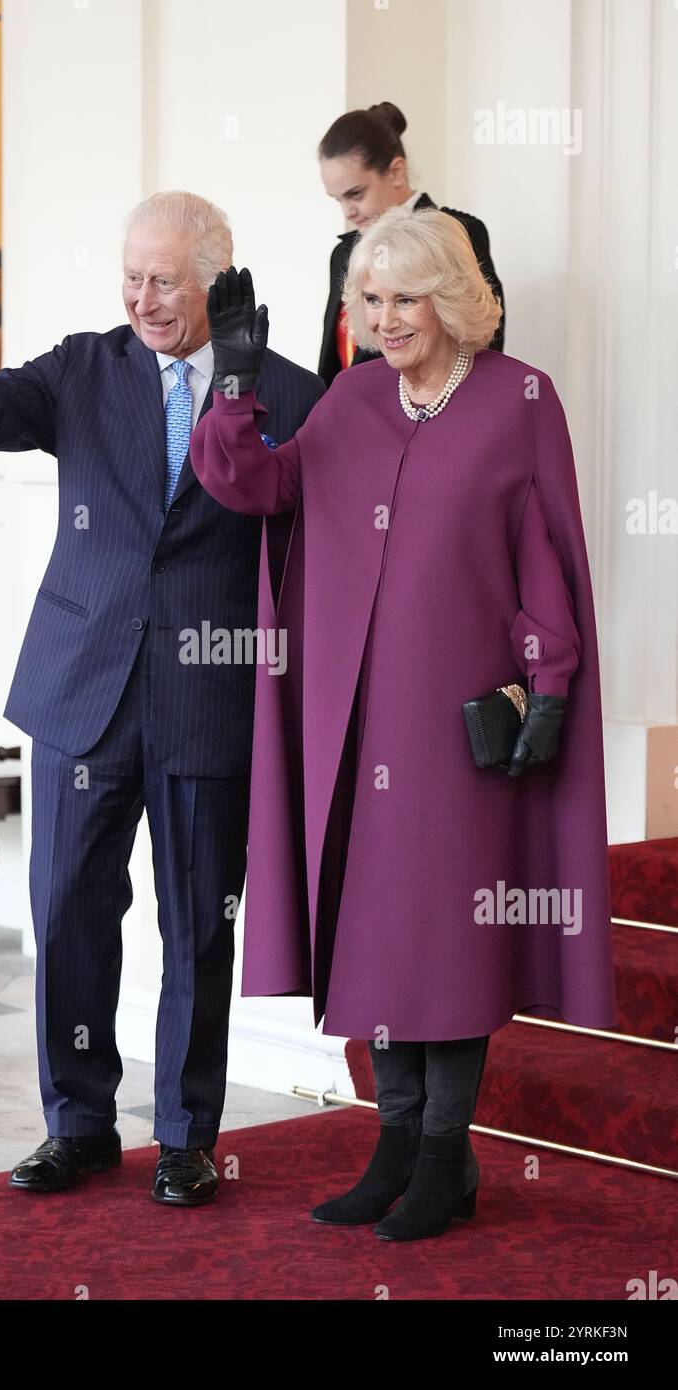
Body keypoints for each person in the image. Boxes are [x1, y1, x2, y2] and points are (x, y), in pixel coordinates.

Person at [0, 192, 324, 1207]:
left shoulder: (286, 390)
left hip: (206, 698)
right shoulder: (83, 368)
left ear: (215, 281)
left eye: (164, 281)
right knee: (66, 912)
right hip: (81, 691)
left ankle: (185, 1136)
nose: (141, 297)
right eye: (130, 276)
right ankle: (79, 1124)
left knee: (196, 929)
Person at [190, 205, 616, 1241]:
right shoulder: (349, 402)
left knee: (448, 943)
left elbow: (543, 550)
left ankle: (440, 1157)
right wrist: (235, 385)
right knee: (375, 939)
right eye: (369, 300)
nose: (385, 318)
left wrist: (548, 681)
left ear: (453, 301)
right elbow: (248, 484)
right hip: (351, 721)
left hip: (457, 724)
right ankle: (395, 1144)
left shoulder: (519, 400)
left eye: (404, 298)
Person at [317, 100, 505, 386]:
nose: (347, 211)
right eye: (338, 199)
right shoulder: (343, 253)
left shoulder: (457, 232)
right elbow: (335, 363)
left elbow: (483, 342)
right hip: (351, 417)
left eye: (355, 194)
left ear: (396, 171)